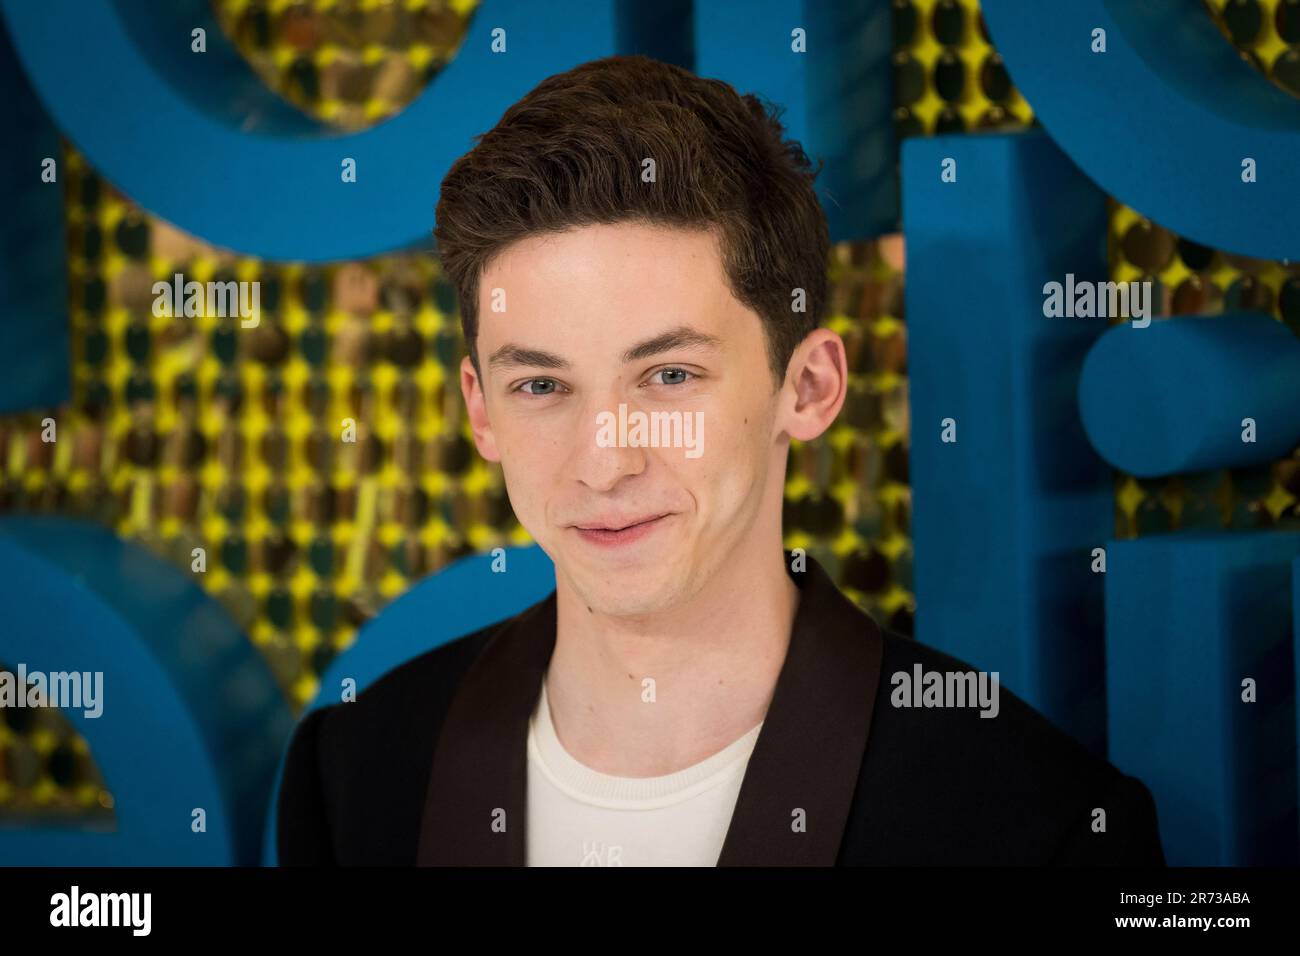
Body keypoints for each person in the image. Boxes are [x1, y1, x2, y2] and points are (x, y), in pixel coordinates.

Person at [277, 54, 1165, 866]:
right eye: (542, 385)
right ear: (482, 410)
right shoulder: (355, 773)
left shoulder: (1037, 827)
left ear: (808, 386)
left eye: (669, 375)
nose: (604, 463)